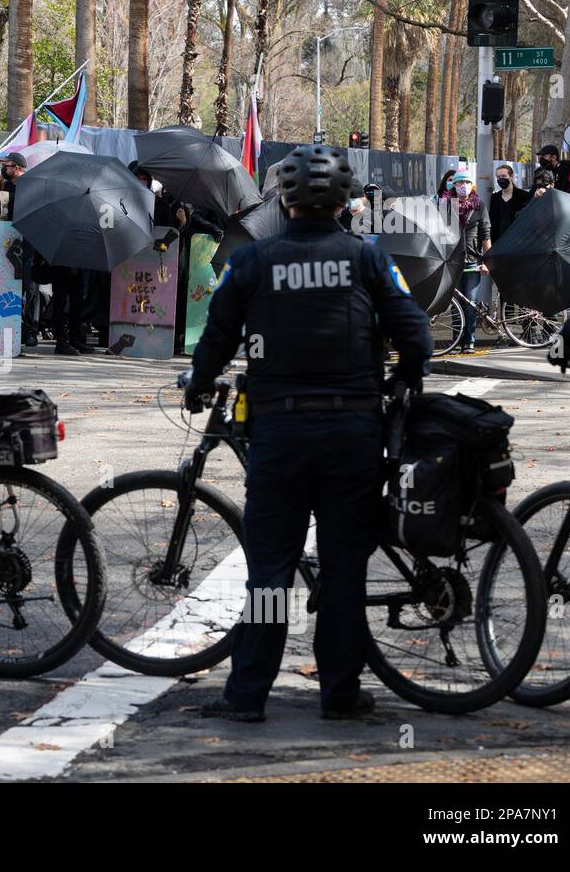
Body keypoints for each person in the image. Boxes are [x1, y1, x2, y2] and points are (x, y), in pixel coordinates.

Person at [186, 144, 431, 722]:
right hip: (353, 434)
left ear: (285, 199)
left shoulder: (253, 261)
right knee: (345, 569)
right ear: (345, 199)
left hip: (278, 433)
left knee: (270, 571)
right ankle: (340, 694)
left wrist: (198, 382)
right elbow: (415, 333)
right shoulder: (367, 258)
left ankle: (248, 696)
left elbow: (216, 339)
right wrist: (404, 379)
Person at [442, 169, 491, 353]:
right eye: (459, 183)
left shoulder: (480, 206)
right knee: (455, 306)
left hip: (473, 261)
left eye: (467, 183)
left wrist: (488, 261)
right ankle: (456, 341)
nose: (463, 186)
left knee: (470, 303)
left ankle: (469, 341)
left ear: (472, 185)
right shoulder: (445, 205)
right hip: (451, 263)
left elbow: (485, 234)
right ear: (453, 185)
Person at [488, 163, 531, 246]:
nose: (501, 179)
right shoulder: (495, 197)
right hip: (498, 242)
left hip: (518, 242)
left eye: (504, 176)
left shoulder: (524, 196)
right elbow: (492, 220)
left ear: (511, 177)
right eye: (498, 177)